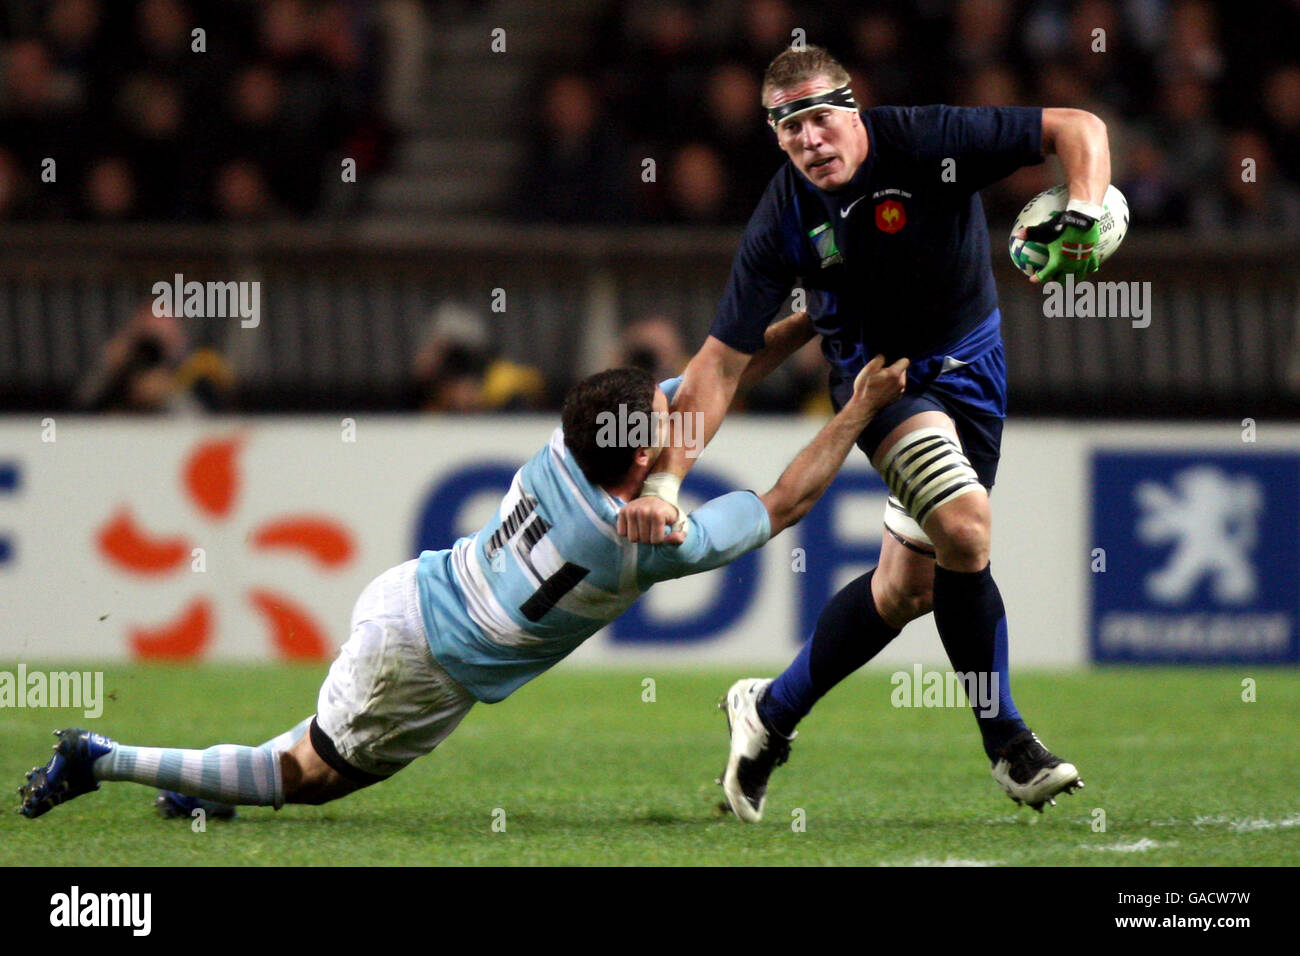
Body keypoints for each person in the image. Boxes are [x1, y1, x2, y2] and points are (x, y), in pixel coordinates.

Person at [18, 323, 909, 820]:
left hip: (412, 595)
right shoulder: (635, 545)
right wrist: (858, 408)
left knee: (322, 745)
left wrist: (813, 319)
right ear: (640, 458)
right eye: (660, 421)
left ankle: (198, 787)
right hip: (426, 663)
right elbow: (786, 500)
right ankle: (104, 759)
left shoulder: (569, 446)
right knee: (305, 778)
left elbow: (718, 370)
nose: (676, 412)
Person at [617, 45, 1113, 820]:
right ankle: (1010, 745)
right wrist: (663, 482)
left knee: (905, 589)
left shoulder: (927, 140)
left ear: (854, 108)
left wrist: (1084, 204)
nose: (810, 141)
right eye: (790, 131)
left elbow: (1078, 126)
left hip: (977, 368)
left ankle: (768, 713)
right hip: (880, 383)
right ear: (776, 141)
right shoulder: (783, 214)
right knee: (964, 527)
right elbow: (718, 367)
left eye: (819, 119)